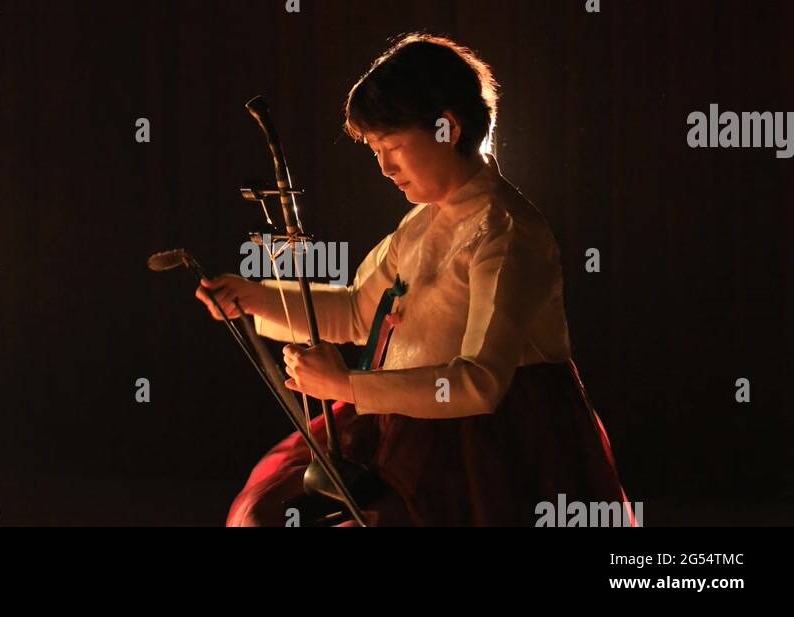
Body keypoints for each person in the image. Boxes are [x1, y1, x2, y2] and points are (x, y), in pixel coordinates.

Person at [196, 33, 634, 527]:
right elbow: (359, 314)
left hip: (488, 451)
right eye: (376, 150)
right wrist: (253, 298)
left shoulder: (507, 234)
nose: (384, 167)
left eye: (394, 146)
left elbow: (481, 384)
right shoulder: (420, 225)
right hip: (405, 427)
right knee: (267, 513)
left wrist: (346, 384)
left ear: (447, 127)